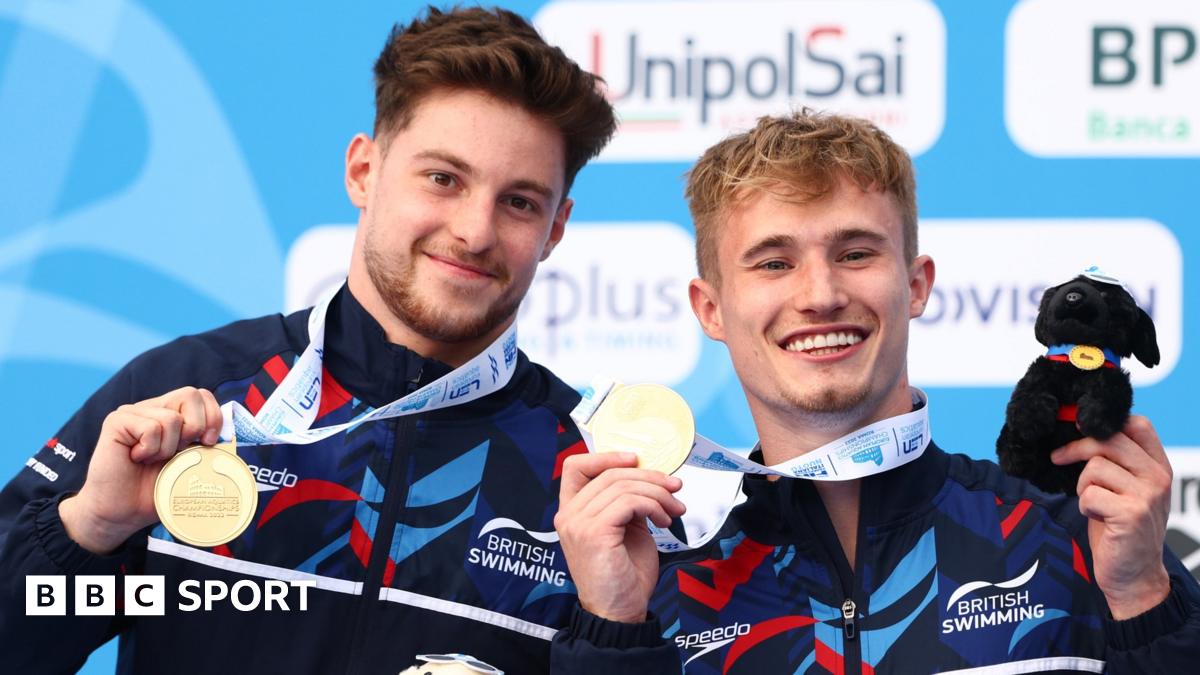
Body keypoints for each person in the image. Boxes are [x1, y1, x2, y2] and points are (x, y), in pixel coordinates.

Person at [0, 6, 614, 673]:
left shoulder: (582, 469)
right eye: (444, 178)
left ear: (555, 229)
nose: (475, 230)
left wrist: (620, 636)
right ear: (363, 171)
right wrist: (88, 530)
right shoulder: (189, 390)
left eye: (520, 201)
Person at [551, 111, 1200, 673]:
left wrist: (1145, 594)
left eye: (856, 253)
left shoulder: (1069, 539)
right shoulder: (657, 585)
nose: (821, 294)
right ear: (712, 308)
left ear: (916, 285)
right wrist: (611, 628)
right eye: (774, 262)